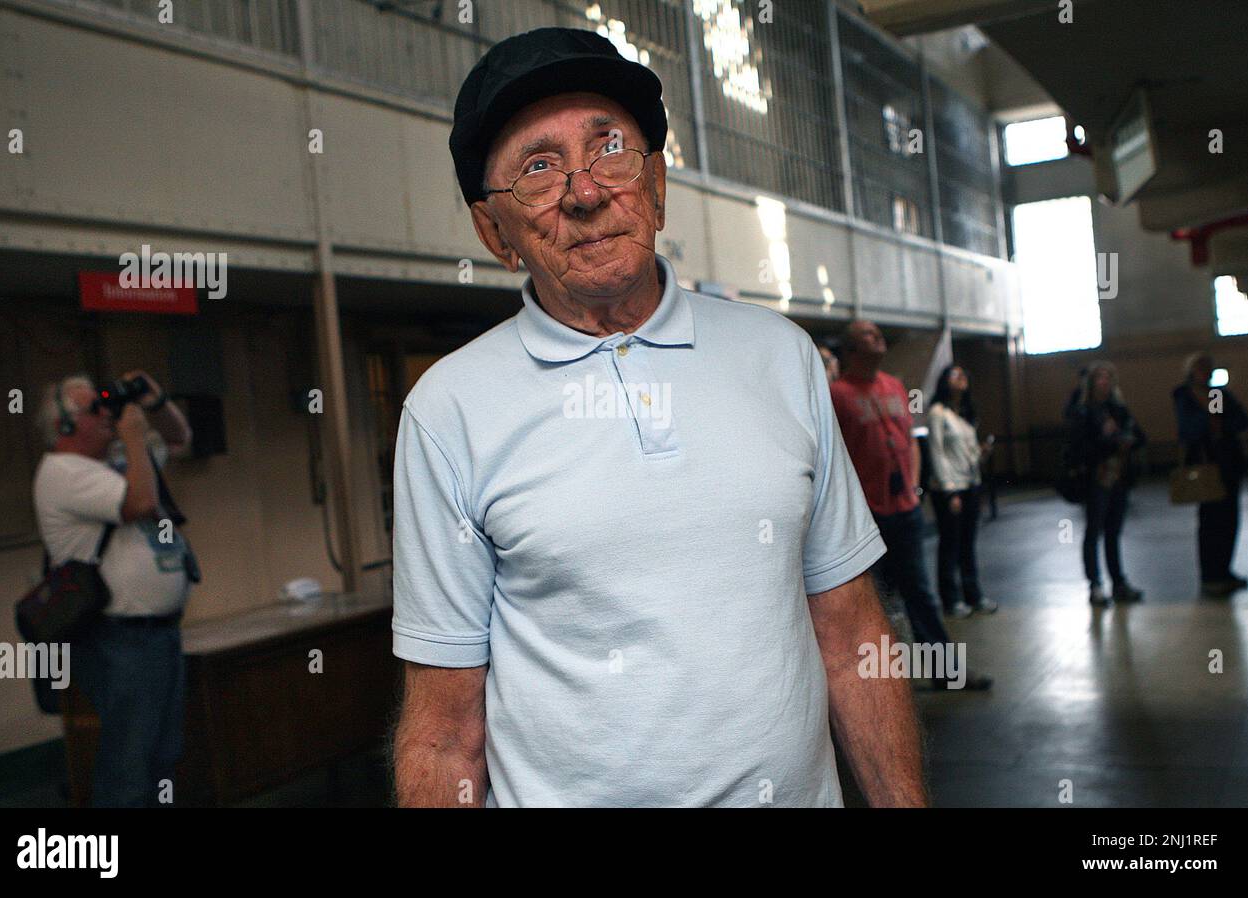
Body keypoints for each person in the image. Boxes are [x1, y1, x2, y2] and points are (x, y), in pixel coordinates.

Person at [391, 27, 929, 808]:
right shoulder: (449, 412)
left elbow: (852, 642)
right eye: (538, 168)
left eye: (609, 147)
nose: (584, 191)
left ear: (657, 182)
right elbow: (443, 736)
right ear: (493, 232)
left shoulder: (780, 358)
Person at [33, 372, 194, 806]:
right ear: (64, 426)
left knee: (162, 756)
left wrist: (155, 400)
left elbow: (180, 439)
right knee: (129, 765)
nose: (107, 413)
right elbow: (140, 502)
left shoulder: (118, 460)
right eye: (93, 409)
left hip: (156, 634)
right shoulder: (63, 472)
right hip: (117, 639)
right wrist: (135, 438)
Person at [829, 320, 992, 690]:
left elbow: (911, 440)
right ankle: (879, 681)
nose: (879, 337)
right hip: (869, 516)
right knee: (877, 603)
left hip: (904, 509)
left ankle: (945, 672)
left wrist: (914, 487)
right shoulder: (837, 395)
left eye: (877, 332)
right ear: (852, 350)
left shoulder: (895, 387)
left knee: (921, 594)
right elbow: (836, 456)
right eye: (869, 335)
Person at [1065, 361, 1145, 606]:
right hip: (1096, 477)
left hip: (1118, 476)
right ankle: (1095, 584)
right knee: (1094, 531)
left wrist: (1124, 439)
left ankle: (1118, 582)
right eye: (1099, 378)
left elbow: (1140, 436)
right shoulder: (1083, 411)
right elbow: (1080, 447)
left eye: (1108, 378)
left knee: (1114, 532)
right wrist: (1110, 441)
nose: (1104, 382)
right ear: (1091, 383)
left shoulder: (1118, 409)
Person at [1173, 353, 1248, 597]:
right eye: (1200, 368)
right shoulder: (1184, 395)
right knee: (1210, 523)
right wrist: (1208, 422)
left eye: (1208, 367)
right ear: (1191, 370)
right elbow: (1189, 428)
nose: (1205, 372)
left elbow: (1236, 420)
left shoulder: (1217, 393)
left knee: (1229, 520)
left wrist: (1219, 423)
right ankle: (1210, 575)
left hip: (1227, 464)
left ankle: (1224, 570)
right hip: (1205, 466)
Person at [926, 365, 997, 617]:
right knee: (950, 544)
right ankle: (951, 599)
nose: (961, 377)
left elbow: (968, 454)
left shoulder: (965, 415)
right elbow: (937, 453)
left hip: (970, 485)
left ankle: (973, 594)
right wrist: (949, 491)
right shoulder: (938, 413)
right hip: (949, 488)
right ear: (944, 382)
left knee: (968, 544)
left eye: (964, 374)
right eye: (955, 375)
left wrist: (981, 452)